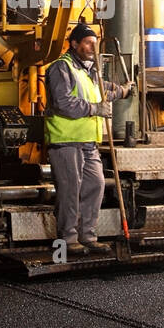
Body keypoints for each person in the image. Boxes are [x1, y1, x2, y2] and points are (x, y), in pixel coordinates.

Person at [44, 22, 134, 257]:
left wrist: (123, 90)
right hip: (66, 141)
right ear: (75, 44)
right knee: (70, 190)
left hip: (87, 142)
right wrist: (95, 109)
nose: (93, 47)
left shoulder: (89, 71)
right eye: (88, 43)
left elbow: (102, 90)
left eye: (95, 43)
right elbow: (64, 103)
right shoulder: (60, 68)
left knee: (96, 185)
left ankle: (88, 236)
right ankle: (68, 238)